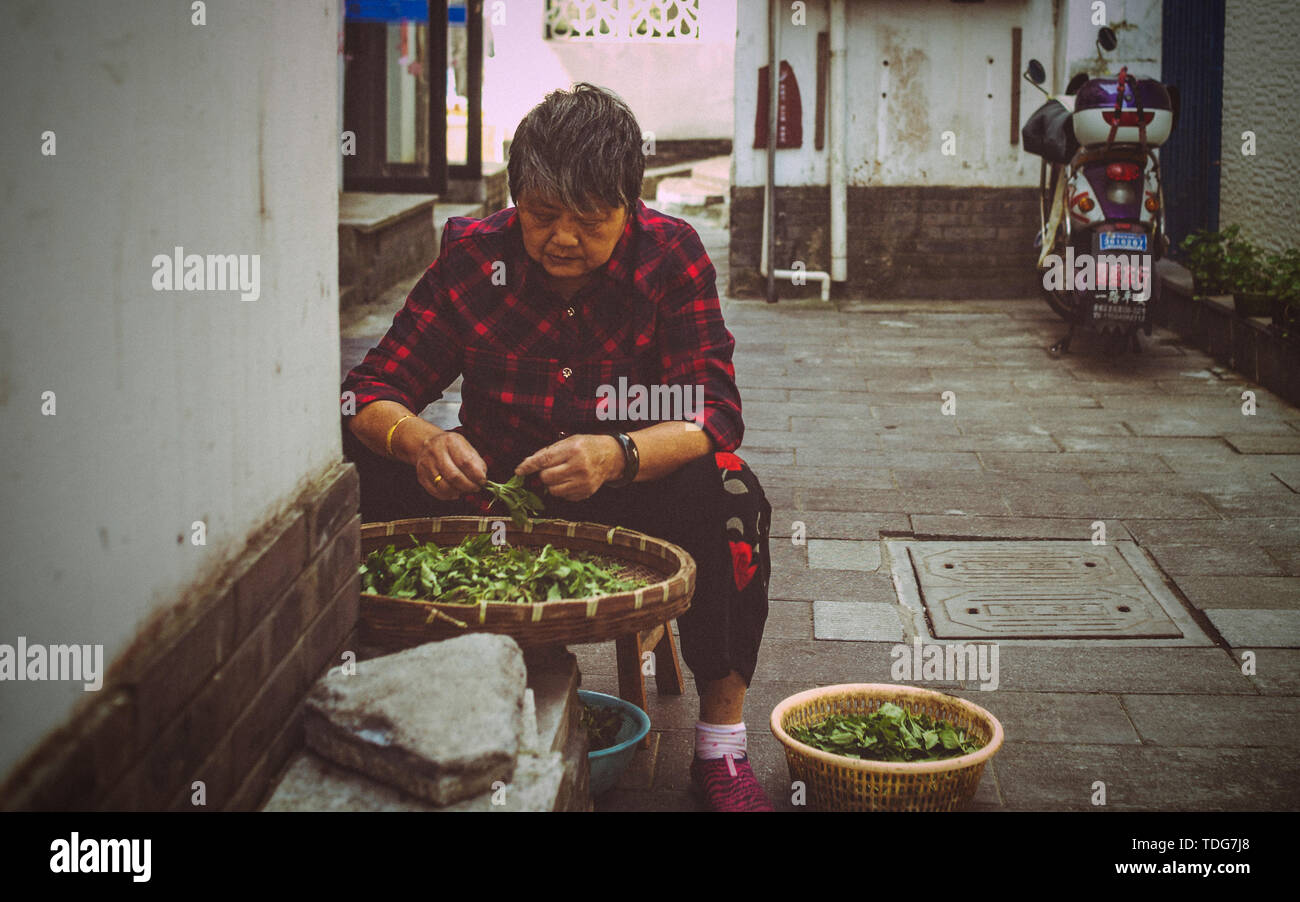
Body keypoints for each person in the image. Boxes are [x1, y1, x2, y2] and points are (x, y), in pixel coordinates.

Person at [340, 83, 774, 812]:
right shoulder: (476, 260)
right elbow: (368, 391)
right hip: (488, 493)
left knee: (730, 494)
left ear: (629, 206)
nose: (561, 238)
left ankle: (720, 749)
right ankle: (375, 695)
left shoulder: (671, 258)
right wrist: (420, 443)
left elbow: (714, 411)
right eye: (541, 215)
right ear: (515, 199)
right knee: (345, 465)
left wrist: (618, 454)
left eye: (589, 220)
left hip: (628, 496)